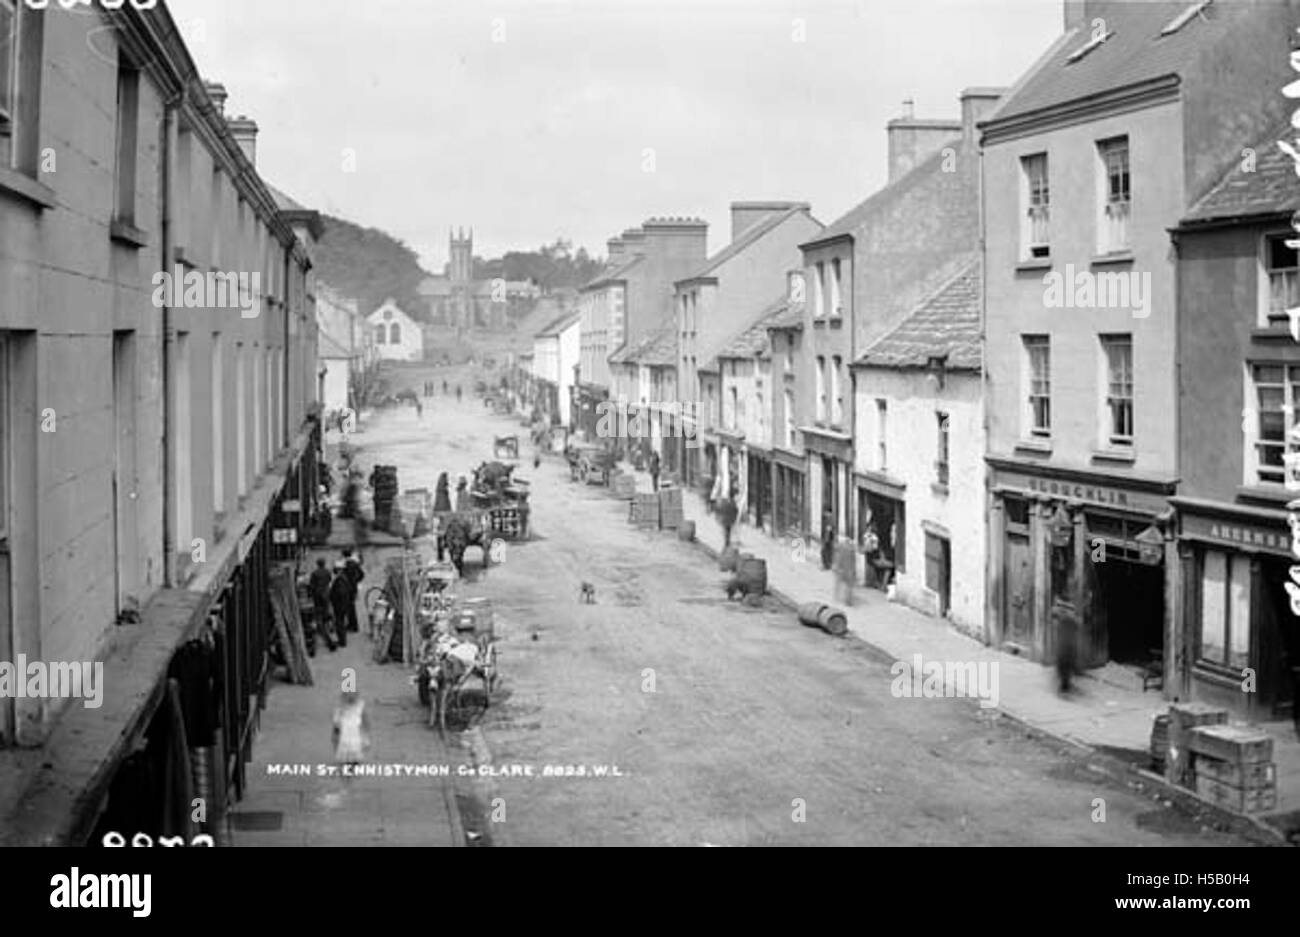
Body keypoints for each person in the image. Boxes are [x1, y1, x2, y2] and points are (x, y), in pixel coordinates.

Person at [332, 691, 371, 769]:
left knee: (355, 744)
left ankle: (354, 761)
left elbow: (365, 717)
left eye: (353, 695)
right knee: (346, 744)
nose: (351, 698)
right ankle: (347, 761)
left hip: (355, 730)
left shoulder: (360, 705)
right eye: (348, 696)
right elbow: (337, 717)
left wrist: (366, 729)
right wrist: (336, 726)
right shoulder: (341, 706)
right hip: (345, 729)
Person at [309, 558, 337, 652]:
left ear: (317, 564)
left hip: (318, 597)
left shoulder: (314, 573)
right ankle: (330, 627)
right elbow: (329, 580)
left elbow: (311, 585)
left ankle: (327, 639)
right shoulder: (327, 572)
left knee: (319, 618)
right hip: (326, 595)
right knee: (327, 613)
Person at [329, 562, 352, 649]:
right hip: (342, 605)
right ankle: (342, 640)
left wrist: (334, 599)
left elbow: (341, 593)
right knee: (341, 623)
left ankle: (342, 641)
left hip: (340, 606)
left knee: (339, 623)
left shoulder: (340, 580)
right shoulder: (343, 578)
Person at [341, 550, 365, 634]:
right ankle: (352, 625)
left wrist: (352, 582)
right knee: (351, 606)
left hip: (348, 588)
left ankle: (353, 626)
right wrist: (356, 581)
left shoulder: (347, 565)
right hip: (353, 588)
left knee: (350, 607)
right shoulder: (354, 563)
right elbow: (362, 574)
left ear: (344, 556)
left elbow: (345, 577)